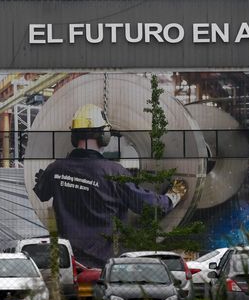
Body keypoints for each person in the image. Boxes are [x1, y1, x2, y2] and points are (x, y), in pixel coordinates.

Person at [32, 103, 187, 269]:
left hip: (68, 264)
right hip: (103, 265)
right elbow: (148, 206)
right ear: (104, 135)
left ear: (74, 136)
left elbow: (42, 193)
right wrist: (172, 196)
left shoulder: (56, 168)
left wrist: (51, 178)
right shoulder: (113, 173)